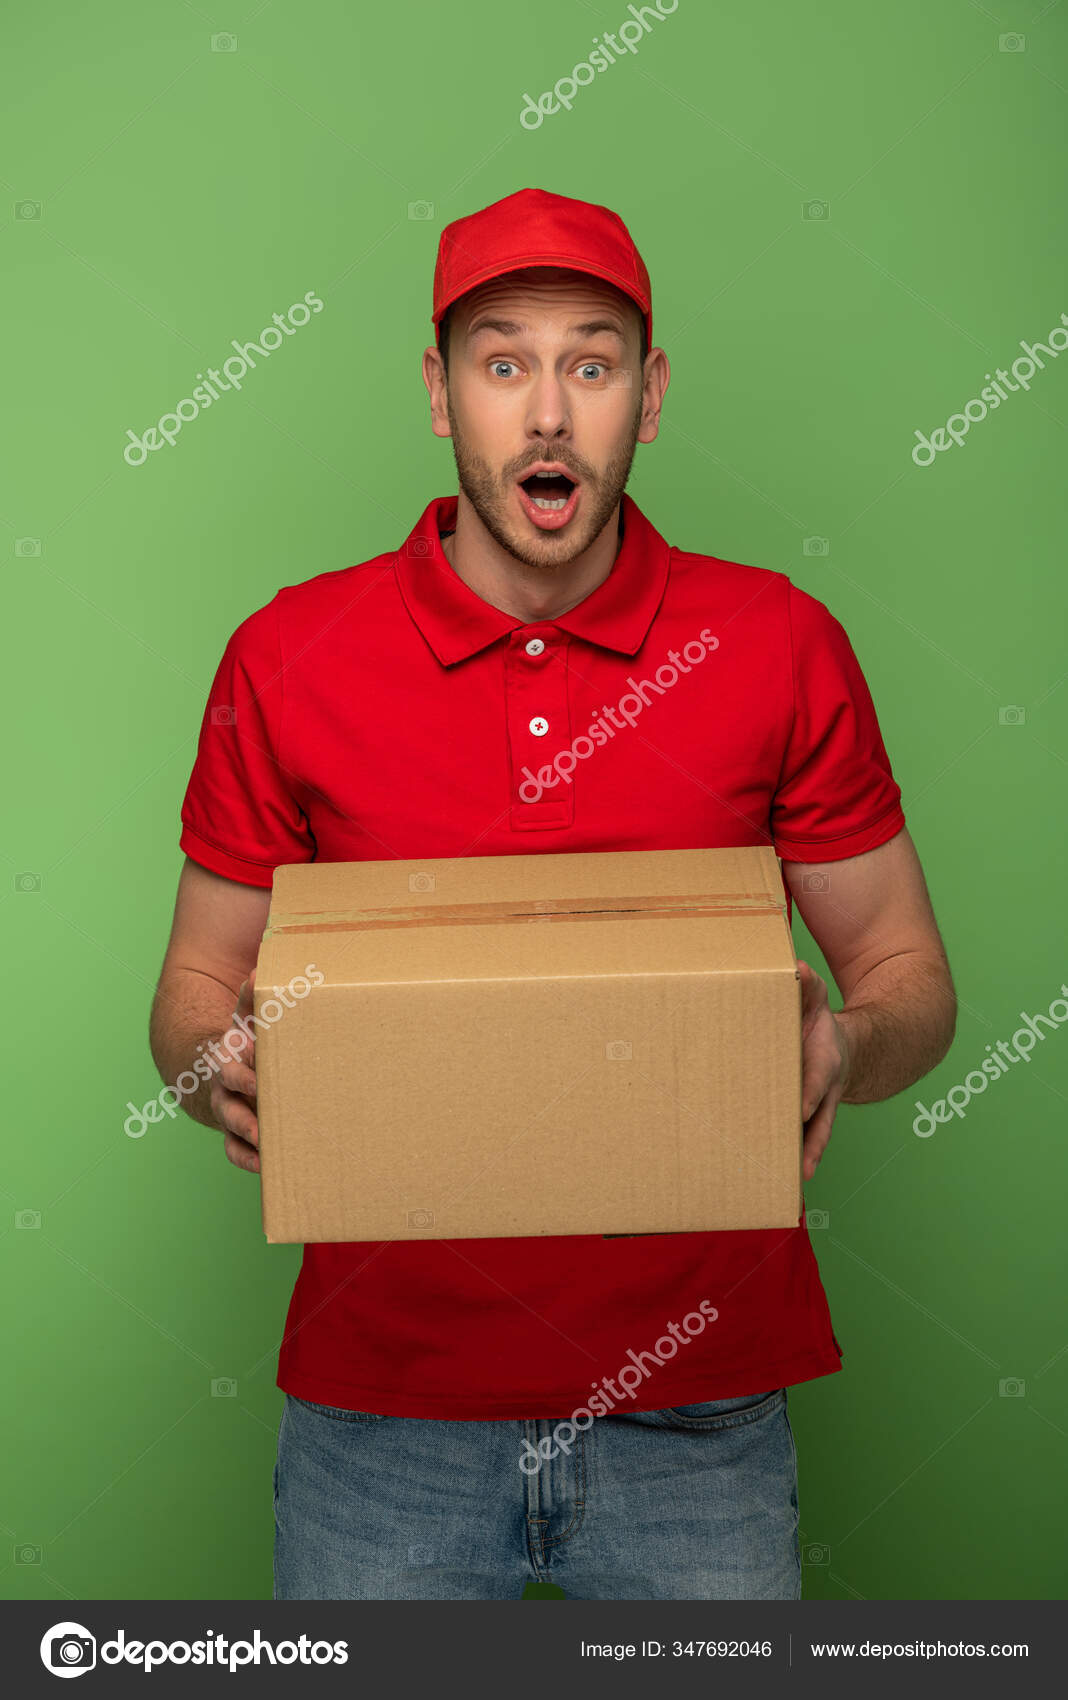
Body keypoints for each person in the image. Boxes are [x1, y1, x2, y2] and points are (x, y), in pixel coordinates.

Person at [149, 187, 956, 1601]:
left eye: (590, 364)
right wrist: (218, 1066)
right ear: (440, 393)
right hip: (380, 1413)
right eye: (501, 361)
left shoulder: (775, 643)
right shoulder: (292, 654)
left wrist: (845, 1045)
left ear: (647, 396)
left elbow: (907, 977)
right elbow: (189, 1000)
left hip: (699, 1405)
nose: (545, 414)